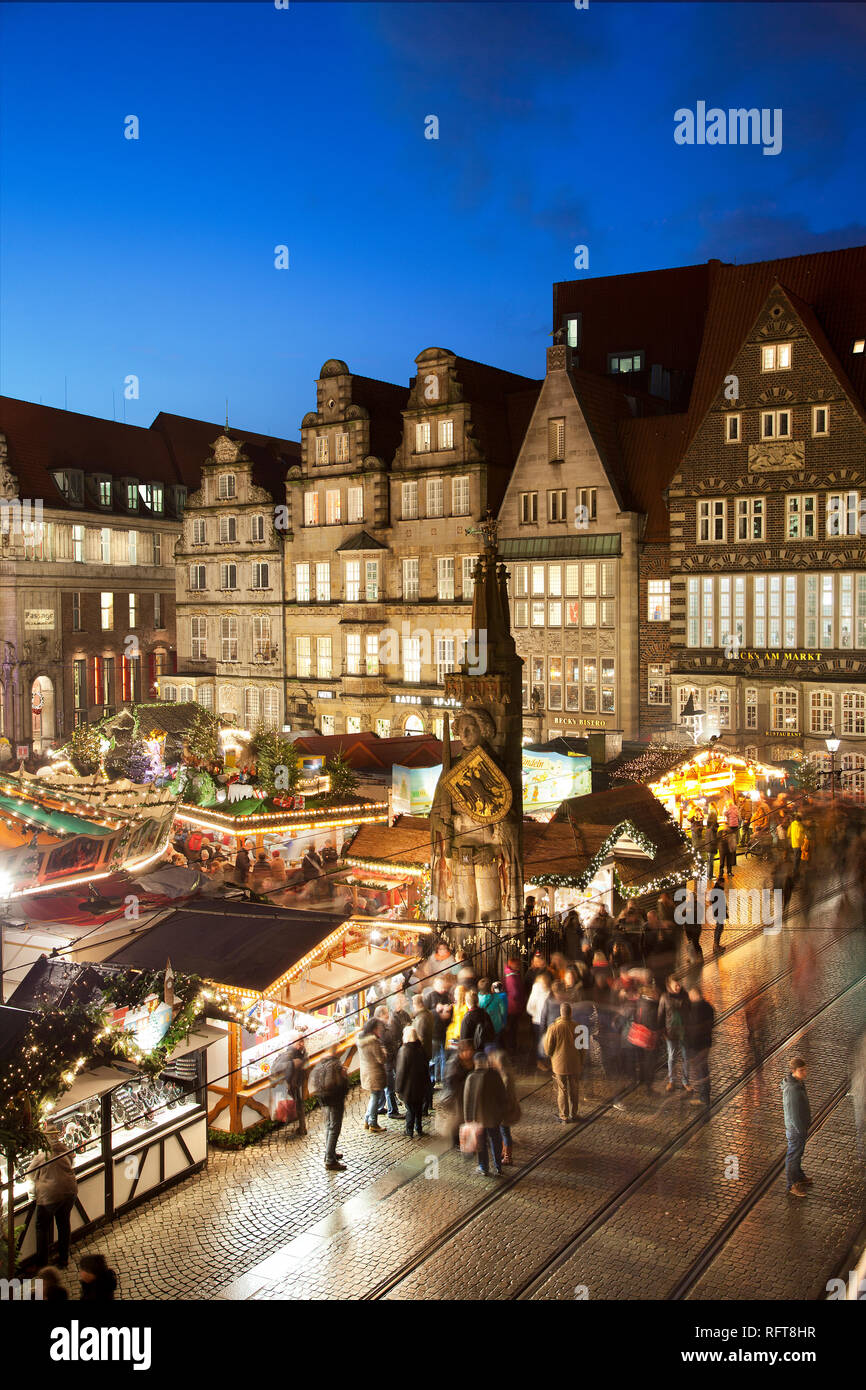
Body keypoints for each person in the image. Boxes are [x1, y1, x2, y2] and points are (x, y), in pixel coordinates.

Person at [27, 1126, 78, 1269]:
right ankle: (63, 1259)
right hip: (69, 1191)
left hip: (49, 1196)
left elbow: (30, 1173)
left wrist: (35, 1188)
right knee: (63, 1224)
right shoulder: (65, 1149)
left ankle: (42, 1263)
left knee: (42, 1228)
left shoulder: (42, 1155)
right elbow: (72, 1163)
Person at [463, 1052, 507, 1177]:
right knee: (496, 1140)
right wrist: (501, 1112)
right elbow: (502, 1095)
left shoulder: (471, 1078)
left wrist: (468, 1119)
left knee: (481, 1143)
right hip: (494, 1117)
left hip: (478, 1119)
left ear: (475, 1063)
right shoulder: (495, 1075)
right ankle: (498, 1166)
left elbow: (467, 1101)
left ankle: (484, 1167)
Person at [308, 1046, 349, 1170]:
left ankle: (329, 1153)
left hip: (324, 1099)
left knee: (329, 1126)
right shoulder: (334, 1065)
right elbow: (332, 1084)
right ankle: (330, 1160)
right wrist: (343, 1076)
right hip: (334, 1099)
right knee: (334, 1128)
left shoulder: (321, 1063)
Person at [545, 1002, 583, 1122]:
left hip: (559, 1064)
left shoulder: (553, 1028)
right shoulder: (579, 1027)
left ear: (561, 1013)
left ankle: (564, 1116)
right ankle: (574, 1114)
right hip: (575, 1063)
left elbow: (548, 1049)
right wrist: (581, 1062)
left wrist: (552, 1056)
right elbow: (583, 1048)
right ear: (571, 1013)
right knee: (574, 1088)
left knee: (562, 1089)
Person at [782, 1056, 812, 1197]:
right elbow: (793, 1114)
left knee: (798, 1154)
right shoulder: (793, 1089)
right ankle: (791, 1184)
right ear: (793, 1071)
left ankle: (799, 1176)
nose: (804, 1073)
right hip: (796, 1130)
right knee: (793, 1156)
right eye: (801, 1070)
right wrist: (801, 1130)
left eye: (805, 1069)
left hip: (799, 1128)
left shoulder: (798, 1083)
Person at [438, 1038, 475, 1146]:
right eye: (468, 1050)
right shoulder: (454, 1063)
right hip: (456, 1096)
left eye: (471, 1050)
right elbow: (450, 1082)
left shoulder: (470, 1061)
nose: (470, 1052)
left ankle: (463, 1137)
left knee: (464, 1117)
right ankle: (455, 1141)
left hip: (466, 1095)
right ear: (462, 1051)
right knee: (457, 1118)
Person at [658, 975, 691, 1093]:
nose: (678, 987)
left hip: (684, 1031)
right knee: (672, 1057)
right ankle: (671, 1081)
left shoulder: (685, 995)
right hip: (671, 1032)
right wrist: (662, 1031)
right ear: (669, 985)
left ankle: (685, 1081)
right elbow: (660, 1015)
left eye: (679, 984)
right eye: (675, 985)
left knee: (686, 1057)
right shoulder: (664, 997)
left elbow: (690, 1011)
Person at [395, 1024, 430, 1137]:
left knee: (410, 1108)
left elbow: (401, 1071)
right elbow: (426, 1067)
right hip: (420, 1085)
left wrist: (398, 1088)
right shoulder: (421, 1048)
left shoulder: (404, 1050)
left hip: (408, 1087)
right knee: (418, 1107)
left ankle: (409, 1130)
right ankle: (419, 1128)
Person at [685, 985, 715, 1111]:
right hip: (705, 1043)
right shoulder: (708, 1007)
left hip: (697, 1044)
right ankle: (704, 1095)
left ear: (694, 995)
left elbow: (692, 1028)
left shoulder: (694, 1009)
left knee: (700, 1071)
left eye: (690, 995)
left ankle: (704, 1097)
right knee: (702, 1069)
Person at [490, 1049, 520, 1165]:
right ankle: (504, 1151)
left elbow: (504, 1094)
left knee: (505, 1132)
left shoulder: (505, 1076)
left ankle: (508, 1157)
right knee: (504, 1132)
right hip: (505, 1108)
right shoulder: (504, 1074)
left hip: (505, 1109)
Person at [358, 1019, 388, 1133]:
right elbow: (381, 1059)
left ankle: (367, 1120)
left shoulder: (361, 1039)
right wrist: (384, 1051)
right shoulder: (373, 1042)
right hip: (375, 1073)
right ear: (374, 1029)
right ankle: (373, 1123)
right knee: (375, 1097)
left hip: (366, 1072)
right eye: (378, 1028)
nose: (380, 1030)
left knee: (374, 1096)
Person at [426, 974, 453, 1084]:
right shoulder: (430, 996)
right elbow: (425, 1013)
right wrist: (436, 1011)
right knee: (436, 1058)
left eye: (443, 985)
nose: (442, 988)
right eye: (440, 985)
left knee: (445, 1056)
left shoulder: (446, 996)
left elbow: (451, 1013)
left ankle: (443, 1078)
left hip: (446, 1032)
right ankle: (436, 1079)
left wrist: (449, 1010)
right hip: (434, 1033)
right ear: (435, 985)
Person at [411, 994, 435, 1116]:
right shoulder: (428, 1014)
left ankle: (425, 1106)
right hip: (427, 1051)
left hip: (422, 1054)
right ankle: (428, 1103)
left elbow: (420, 1038)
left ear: (416, 1004)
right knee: (427, 1079)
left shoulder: (422, 1018)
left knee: (424, 1081)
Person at [526, 970, 552, 1070]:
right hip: (538, 1021)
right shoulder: (537, 990)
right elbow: (530, 1006)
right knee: (539, 1041)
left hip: (548, 1020)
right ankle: (540, 1061)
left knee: (547, 1041)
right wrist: (536, 1015)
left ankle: (547, 1060)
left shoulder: (550, 991)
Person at [503, 957, 525, 1052]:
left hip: (513, 1006)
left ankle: (513, 1046)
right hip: (513, 1006)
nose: (520, 967)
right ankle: (512, 1047)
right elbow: (515, 993)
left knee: (513, 1027)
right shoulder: (512, 977)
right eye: (518, 965)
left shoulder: (512, 974)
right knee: (512, 1027)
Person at [445, 984, 469, 1052]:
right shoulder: (455, 1006)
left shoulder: (465, 1008)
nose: (454, 995)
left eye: (456, 994)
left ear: (461, 995)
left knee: (455, 1053)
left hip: (457, 1035)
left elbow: (459, 1024)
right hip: (453, 1035)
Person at [789, 811, 805, 878]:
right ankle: (795, 871)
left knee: (796, 856)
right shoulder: (800, 826)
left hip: (793, 842)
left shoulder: (793, 824)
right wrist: (804, 837)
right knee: (797, 857)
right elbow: (799, 836)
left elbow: (790, 831)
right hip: (798, 844)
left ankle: (796, 869)